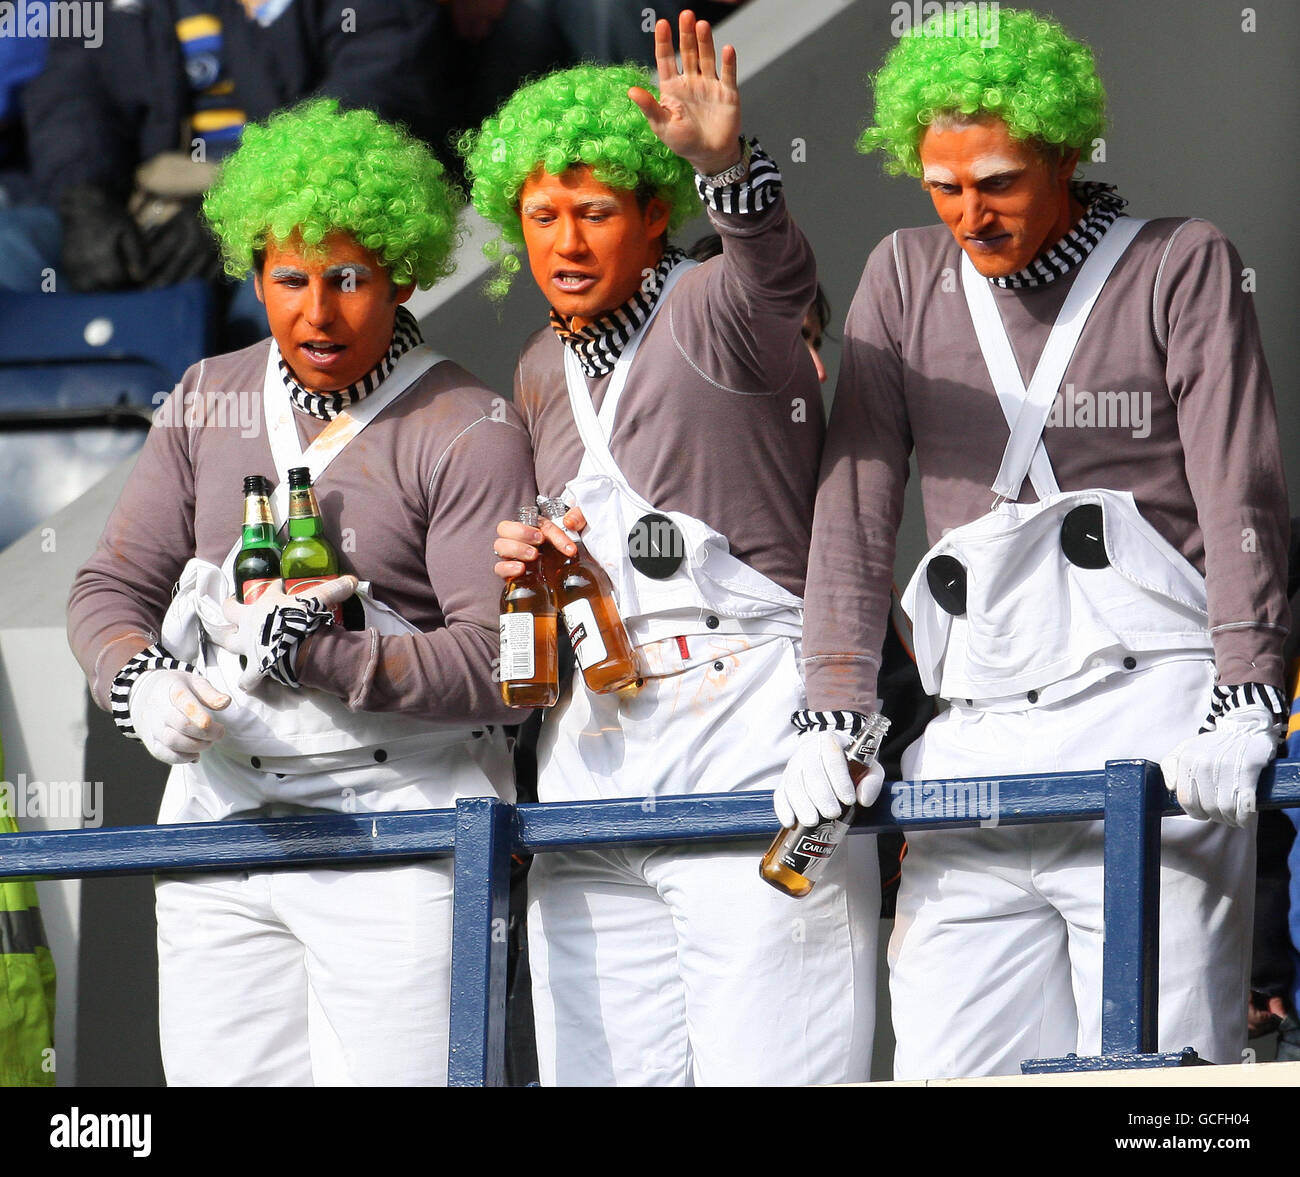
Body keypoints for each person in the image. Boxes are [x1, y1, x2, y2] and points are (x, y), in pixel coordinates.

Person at [784, 7, 1290, 1078]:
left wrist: (1247, 690)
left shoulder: (1178, 260)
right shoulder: (900, 272)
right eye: (943, 184)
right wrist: (832, 703)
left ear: (1065, 152)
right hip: (970, 728)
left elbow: (1239, 484)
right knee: (945, 1068)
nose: (969, 212)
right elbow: (855, 502)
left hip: (1154, 708)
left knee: (1155, 1080)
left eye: (999, 181)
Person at [65, 98, 537, 1086]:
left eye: (348, 279)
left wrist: (326, 652)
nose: (317, 313)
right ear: (253, 269)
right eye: (289, 278)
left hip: (403, 839)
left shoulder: (470, 421)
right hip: (218, 834)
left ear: (404, 270)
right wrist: (142, 685)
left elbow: (505, 668)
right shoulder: (205, 395)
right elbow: (108, 587)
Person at [462, 11, 878, 1087]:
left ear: (654, 216)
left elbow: (778, 278)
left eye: (594, 211)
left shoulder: (714, 308)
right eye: (540, 215)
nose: (564, 240)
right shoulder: (534, 372)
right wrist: (532, 571)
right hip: (588, 752)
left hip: (752, 736)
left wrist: (728, 166)